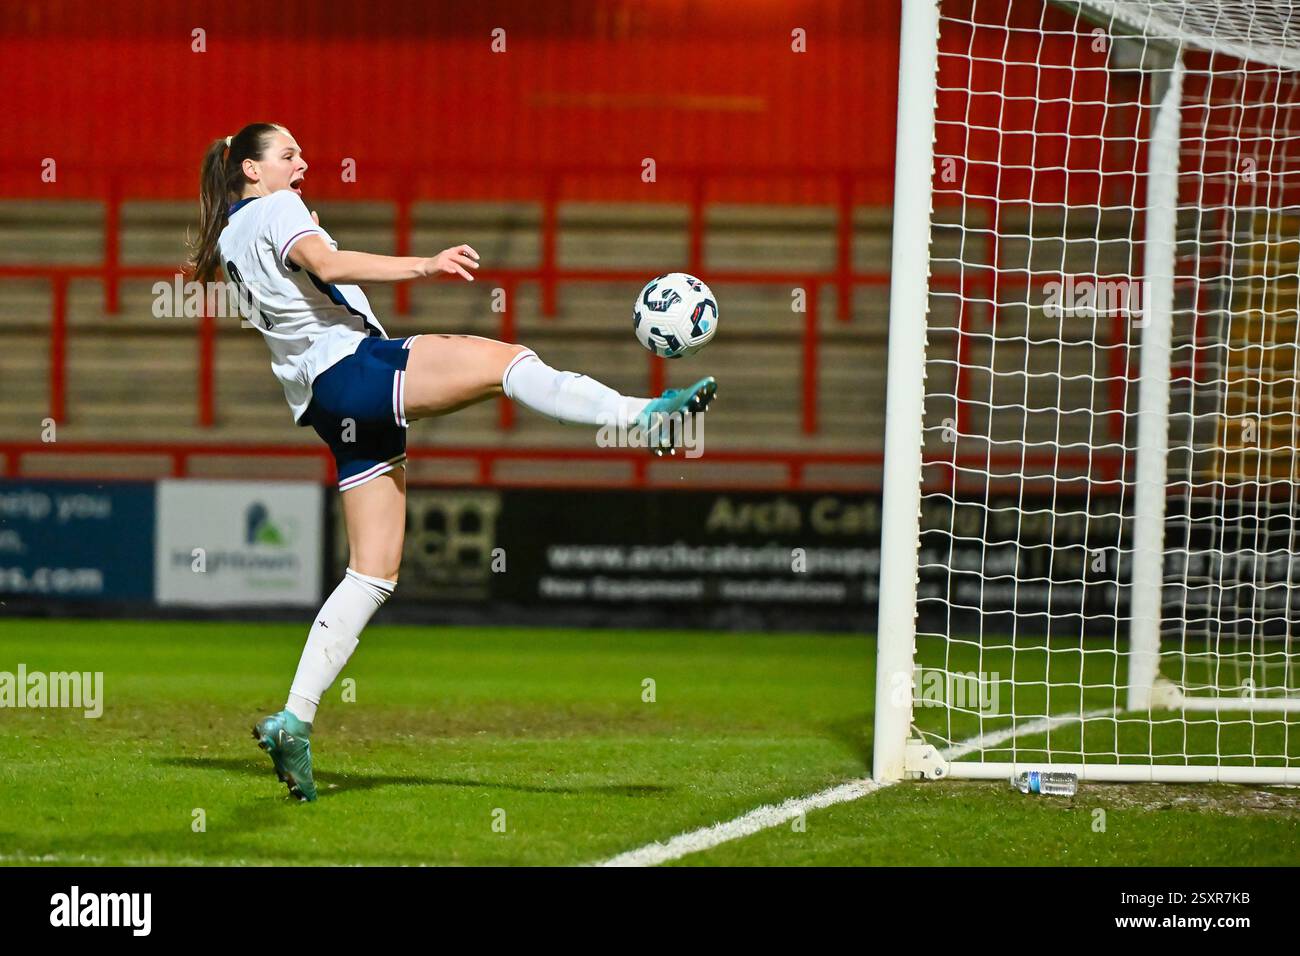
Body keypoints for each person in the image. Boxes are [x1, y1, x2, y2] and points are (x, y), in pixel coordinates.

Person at [187, 122, 716, 801]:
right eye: (288, 154)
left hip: (325, 403)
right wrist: (425, 264)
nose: (304, 161)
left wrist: (317, 243)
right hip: (357, 370)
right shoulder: (277, 209)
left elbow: (306, 277)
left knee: (373, 573)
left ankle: (295, 718)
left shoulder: (232, 234)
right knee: (507, 363)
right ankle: (643, 418)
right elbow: (329, 266)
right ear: (250, 170)